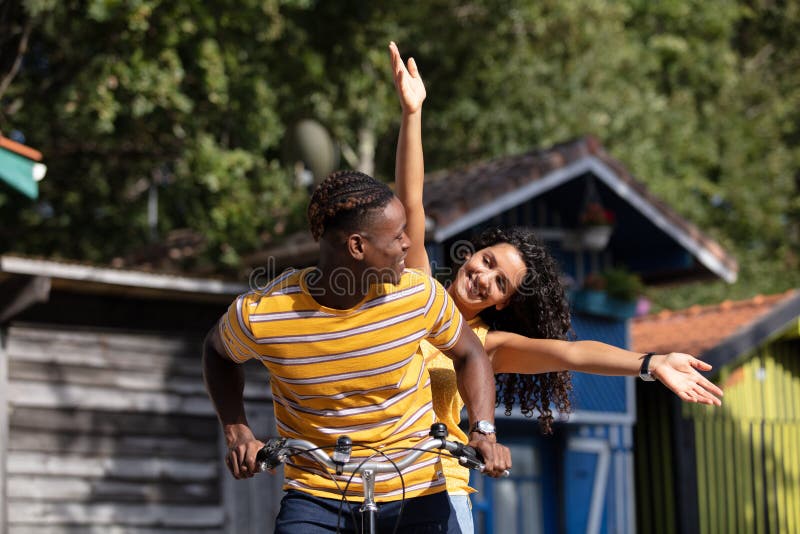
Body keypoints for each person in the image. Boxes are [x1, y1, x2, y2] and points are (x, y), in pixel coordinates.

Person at [389, 41, 724, 533]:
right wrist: (412, 114)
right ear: (470, 256)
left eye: (499, 281)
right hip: (371, 484)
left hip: (441, 491)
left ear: (504, 302)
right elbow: (411, 203)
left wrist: (650, 364)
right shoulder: (419, 291)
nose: (483, 277)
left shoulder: (488, 346)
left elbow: (572, 355)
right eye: (485, 262)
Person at [202, 170, 512, 533]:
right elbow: (218, 352)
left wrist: (484, 430)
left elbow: (470, 353)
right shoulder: (266, 312)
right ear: (357, 247)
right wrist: (237, 430)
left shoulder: (417, 296)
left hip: (415, 488)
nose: (408, 244)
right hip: (316, 493)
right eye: (396, 237)